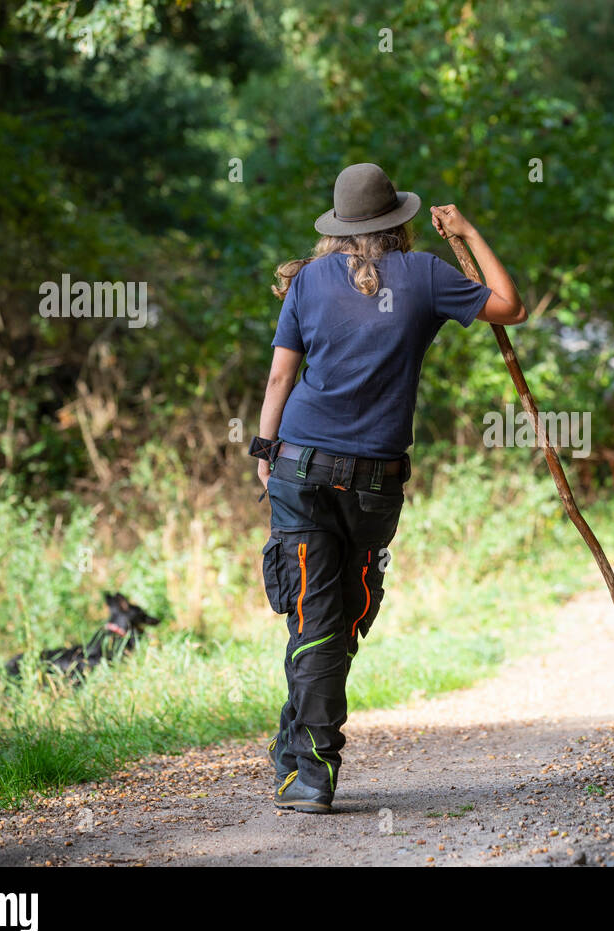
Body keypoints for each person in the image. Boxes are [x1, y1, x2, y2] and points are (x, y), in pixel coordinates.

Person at [254, 162, 527, 813]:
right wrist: (468, 230)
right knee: (338, 616)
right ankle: (310, 760)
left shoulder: (309, 279)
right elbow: (510, 307)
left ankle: (305, 755)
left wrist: (264, 451)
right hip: (374, 480)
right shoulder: (428, 274)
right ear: (398, 219)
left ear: (340, 227)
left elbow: (278, 380)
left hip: (301, 464)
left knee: (319, 616)